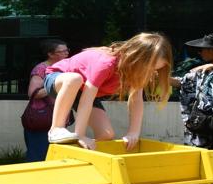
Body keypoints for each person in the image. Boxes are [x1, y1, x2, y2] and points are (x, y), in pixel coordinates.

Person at [44, 32, 174, 152]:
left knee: (106, 135)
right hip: (59, 79)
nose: (150, 72)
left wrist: (133, 132)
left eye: (155, 69)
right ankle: (56, 129)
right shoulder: (107, 63)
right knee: (74, 79)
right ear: (137, 57)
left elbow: (136, 100)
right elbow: (87, 99)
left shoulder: (138, 73)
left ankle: (82, 155)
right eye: (149, 67)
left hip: (83, 90)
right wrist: (80, 134)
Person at [23, 38, 70, 161]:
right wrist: (56, 86)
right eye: (62, 51)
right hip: (43, 120)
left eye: (67, 50)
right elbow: (33, 93)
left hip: (58, 119)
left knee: (55, 156)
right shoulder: (41, 69)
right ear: (50, 54)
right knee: (39, 156)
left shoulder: (65, 68)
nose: (66, 53)